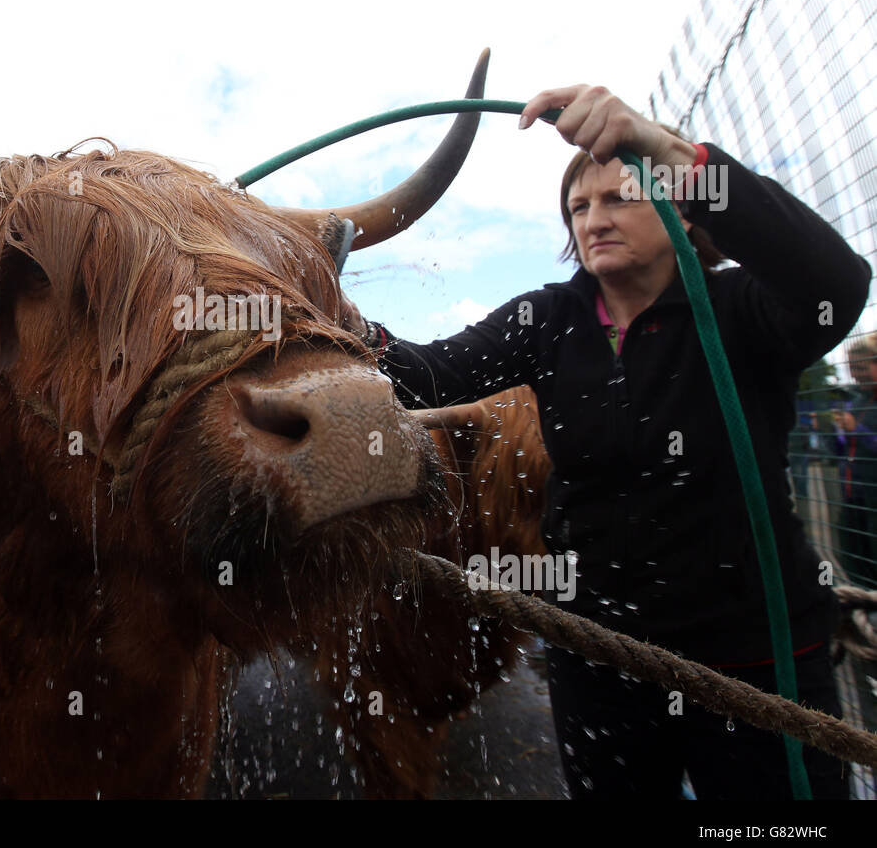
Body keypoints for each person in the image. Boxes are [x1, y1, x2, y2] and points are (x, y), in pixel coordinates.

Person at [355, 84, 871, 800]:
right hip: (600, 653)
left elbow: (839, 283)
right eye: (578, 207)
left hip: (757, 657)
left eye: (619, 198)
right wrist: (333, 318)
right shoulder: (546, 318)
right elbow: (428, 375)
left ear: (682, 211)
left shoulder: (747, 311)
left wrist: (667, 149)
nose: (594, 218)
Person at [833, 333, 877, 587]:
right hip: (852, 494)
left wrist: (856, 431)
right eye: (852, 369)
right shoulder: (856, 401)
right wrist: (837, 434)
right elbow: (842, 451)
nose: (856, 375)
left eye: (861, 367)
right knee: (851, 551)